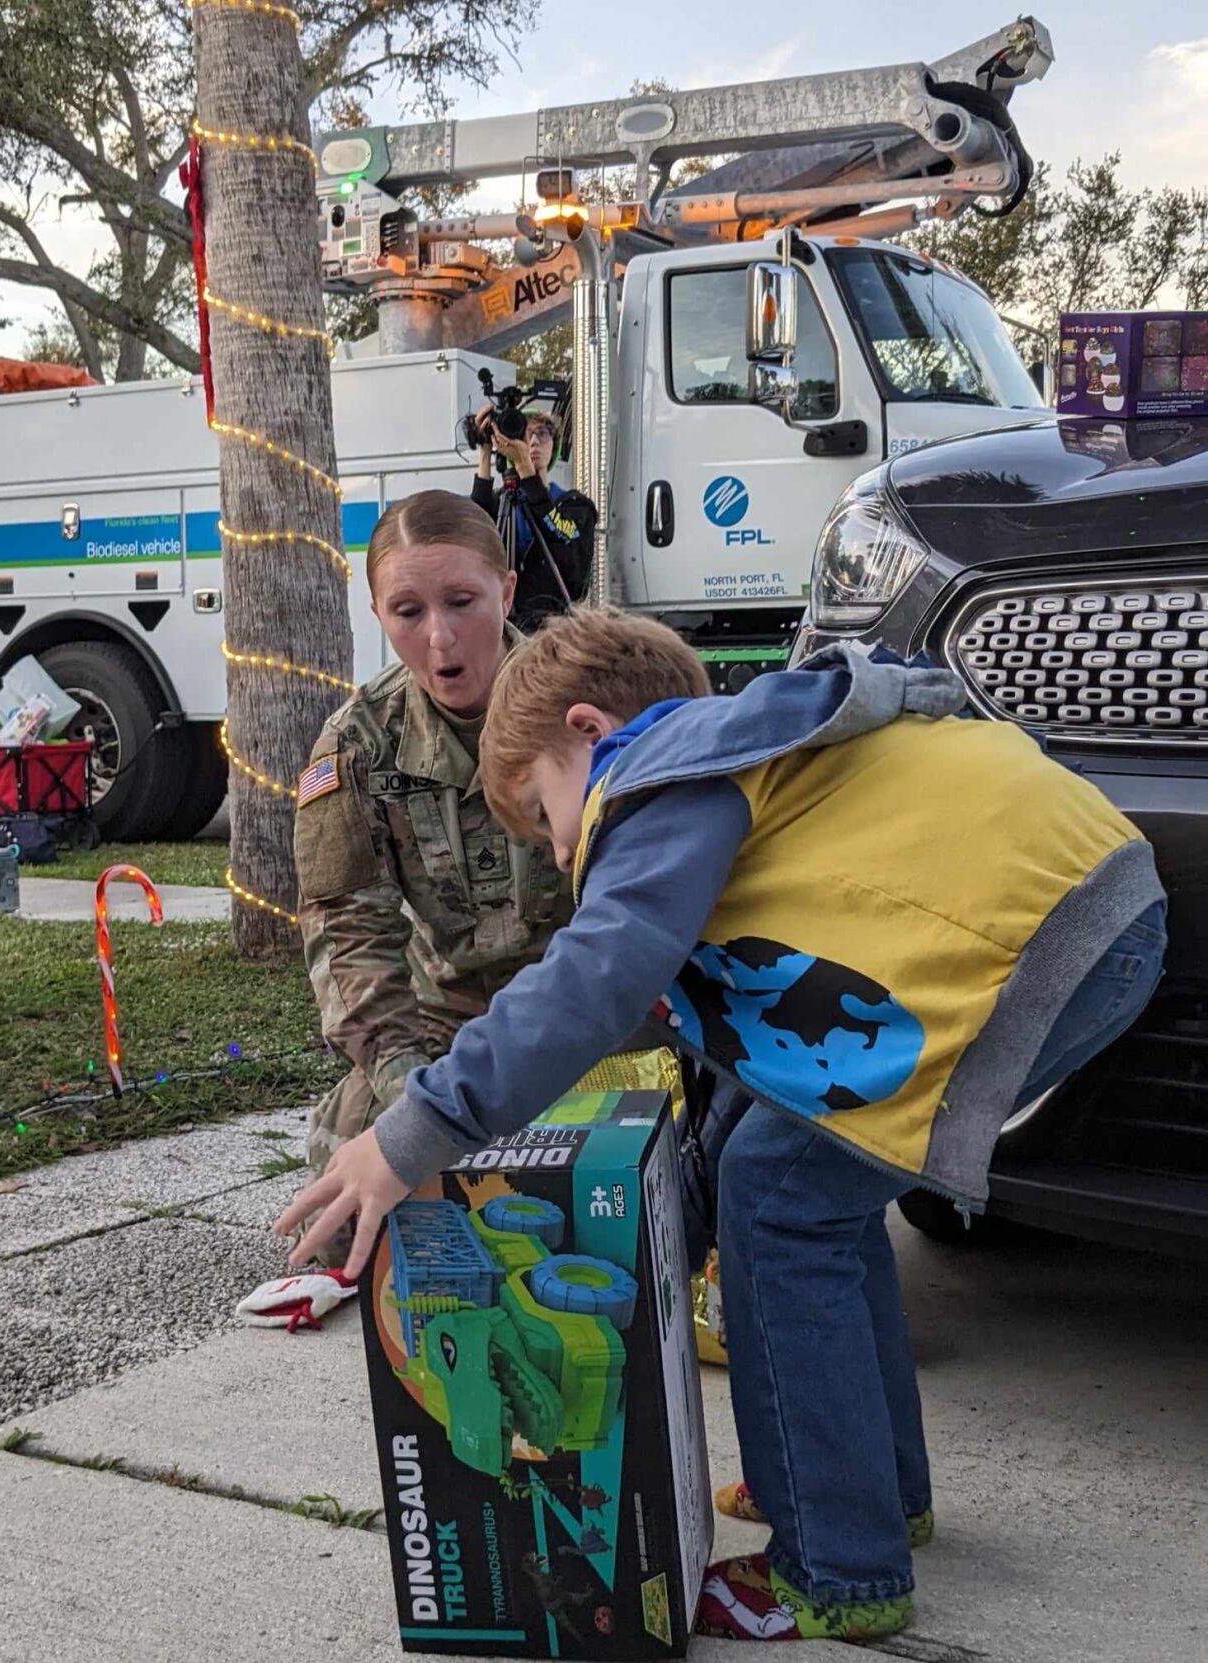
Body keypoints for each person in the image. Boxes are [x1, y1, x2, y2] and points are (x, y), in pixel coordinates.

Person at [277, 608, 1166, 1643]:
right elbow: (734, 1032)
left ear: (587, 730)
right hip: (1076, 915)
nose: (565, 853)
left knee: (782, 1204)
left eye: (546, 814)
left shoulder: (655, 770)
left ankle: (836, 1567)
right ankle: (871, 1492)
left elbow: (596, 976)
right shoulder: (741, 766)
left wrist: (411, 1130)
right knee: (798, 1176)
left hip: (1030, 937)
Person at [289, 490, 574, 1265]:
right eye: (407, 612)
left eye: (463, 601)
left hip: (596, 995)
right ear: (376, 611)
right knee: (344, 1207)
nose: (441, 639)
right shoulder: (358, 746)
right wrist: (411, 1088)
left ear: (507, 590)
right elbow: (347, 929)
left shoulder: (584, 695)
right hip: (451, 1013)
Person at [472, 406, 595, 630]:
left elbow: (560, 531)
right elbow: (473, 534)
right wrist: (485, 451)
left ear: (554, 446)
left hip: (555, 627)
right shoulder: (503, 502)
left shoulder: (575, 505)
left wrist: (525, 468)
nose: (534, 442)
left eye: (543, 433)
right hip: (503, 624)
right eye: (525, 434)